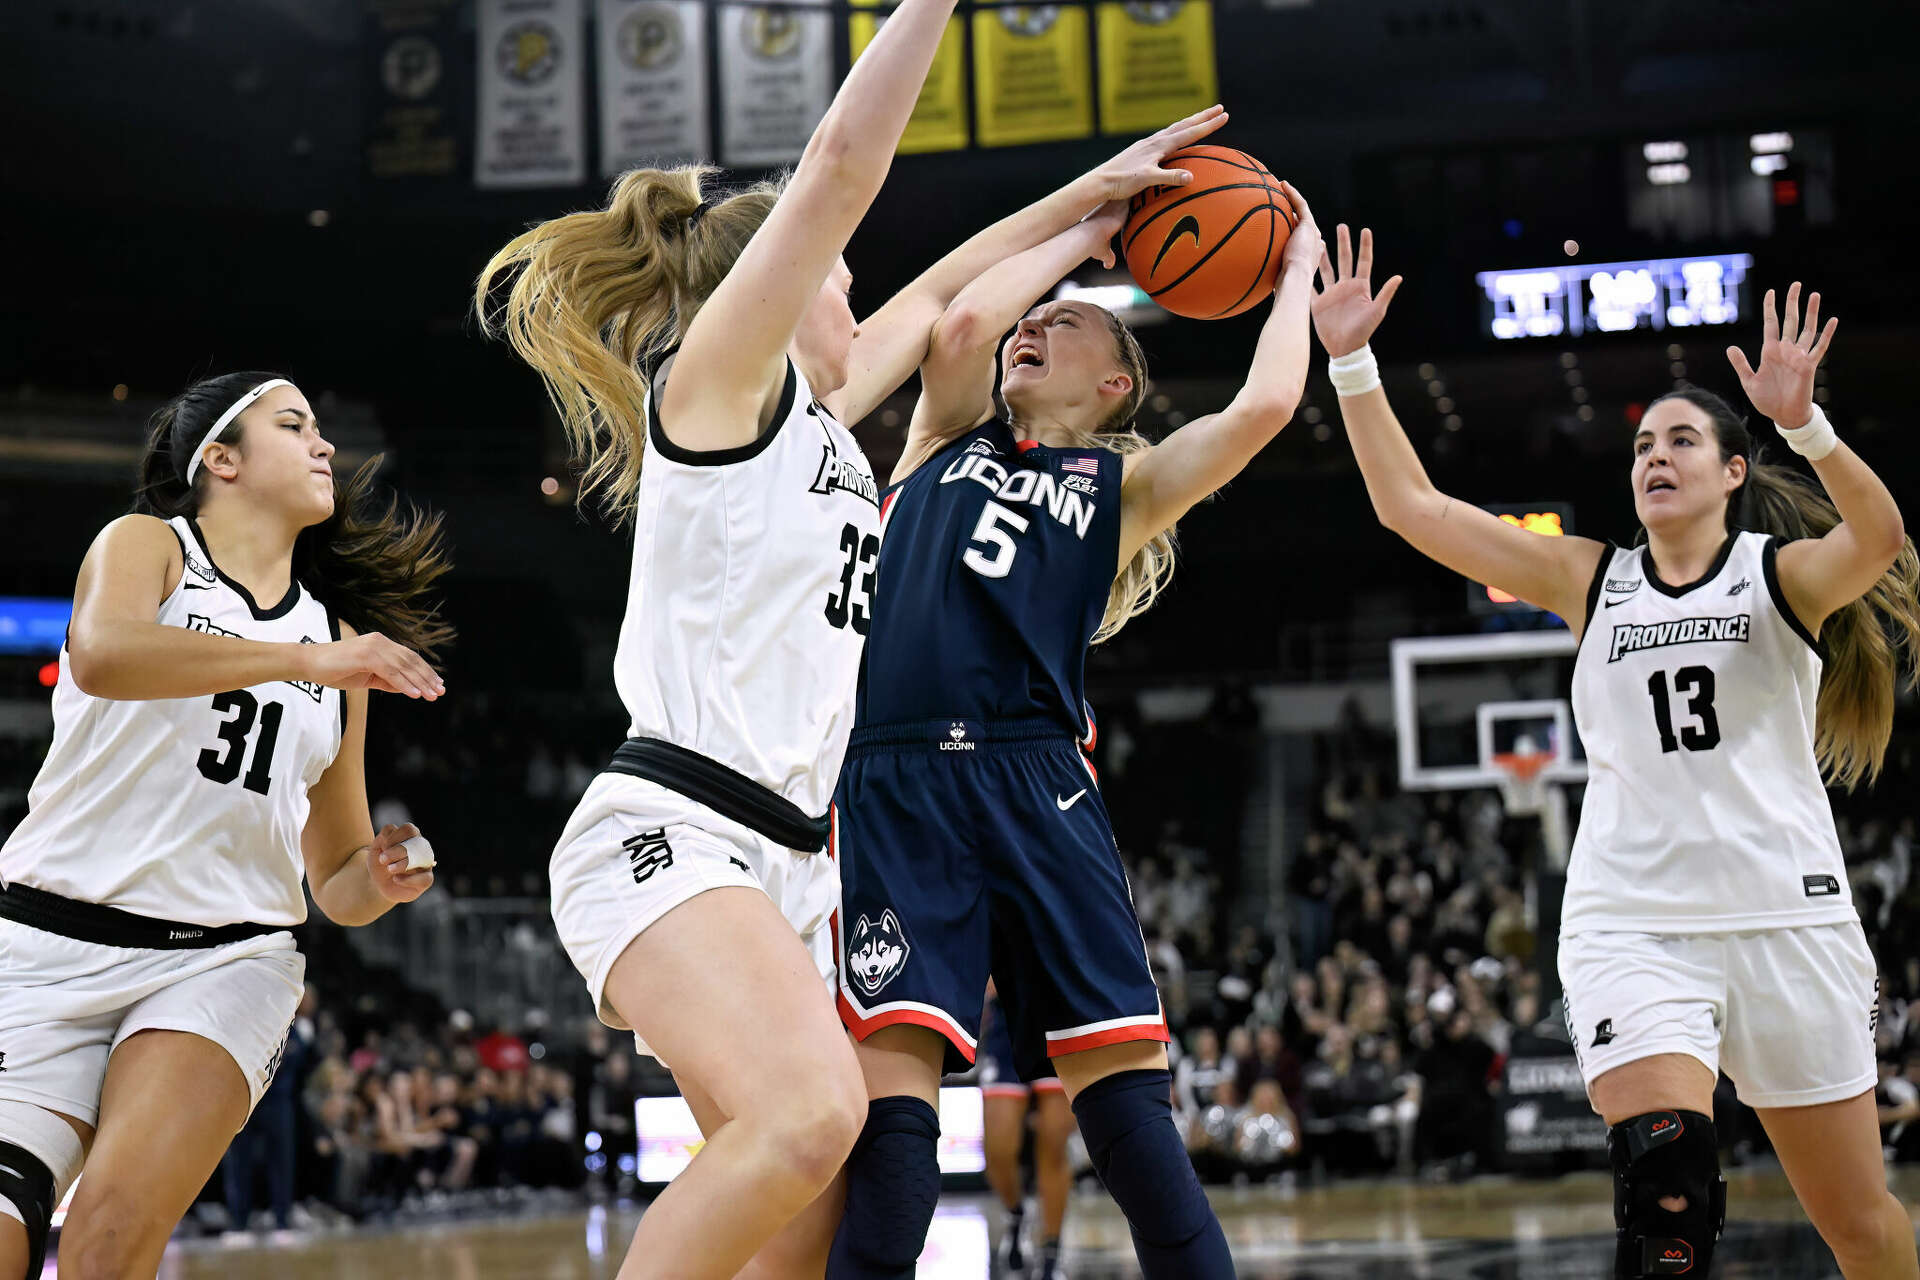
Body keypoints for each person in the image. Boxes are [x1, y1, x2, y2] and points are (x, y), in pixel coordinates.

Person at [476, 6, 1229, 1273]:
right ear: (768, 277)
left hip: (790, 858)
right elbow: (836, 174)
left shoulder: (823, 424)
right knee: (814, 1114)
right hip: (672, 827)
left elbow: (944, 297)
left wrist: (1089, 210)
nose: (853, 284)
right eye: (832, 271)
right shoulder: (715, 388)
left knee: (809, 1225)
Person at [1312, 230, 1920, 1279]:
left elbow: (1880, 535)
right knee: (1666, 1192)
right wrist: (1354, 363)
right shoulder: (1593, 579)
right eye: (1642, 443)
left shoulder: (1780, 578)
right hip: (1635, 922)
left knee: (1861, 1224)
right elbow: (1412, 508)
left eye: (1680, 440)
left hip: (1788, 915)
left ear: (1734, 472)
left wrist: (1806, 424)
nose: (1653, 455)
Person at [828, 172, 1323, 1278]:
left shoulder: (1124, 484)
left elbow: (1262, 411)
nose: (1034, 321)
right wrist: (1095, 229)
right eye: (1034, 315)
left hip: (1038, 777)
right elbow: (960, 318)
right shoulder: (941, 437)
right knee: (894, 1135)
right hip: (892, 783)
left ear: (1114, 381)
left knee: (1128, 1120)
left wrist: (1293, 276)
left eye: (1068, 320)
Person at [0, 372, 448, 1279]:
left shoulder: (337, 642)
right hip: (42, 945)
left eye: (322, 429)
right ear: (221, 460)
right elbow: (105, 652)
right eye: (295, 425)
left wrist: (383, 877)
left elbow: (338, 885)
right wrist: (307, 656)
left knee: (109, 1239)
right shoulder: (148, 545)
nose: (324, 444)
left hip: (224, 958)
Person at [979, 989, 1074, 1279]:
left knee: (1054, 1139)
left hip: (1058, 1014)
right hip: (1007, 1022)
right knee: (998, 1151)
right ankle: (1016, 1214)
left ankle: (1051, 1252)